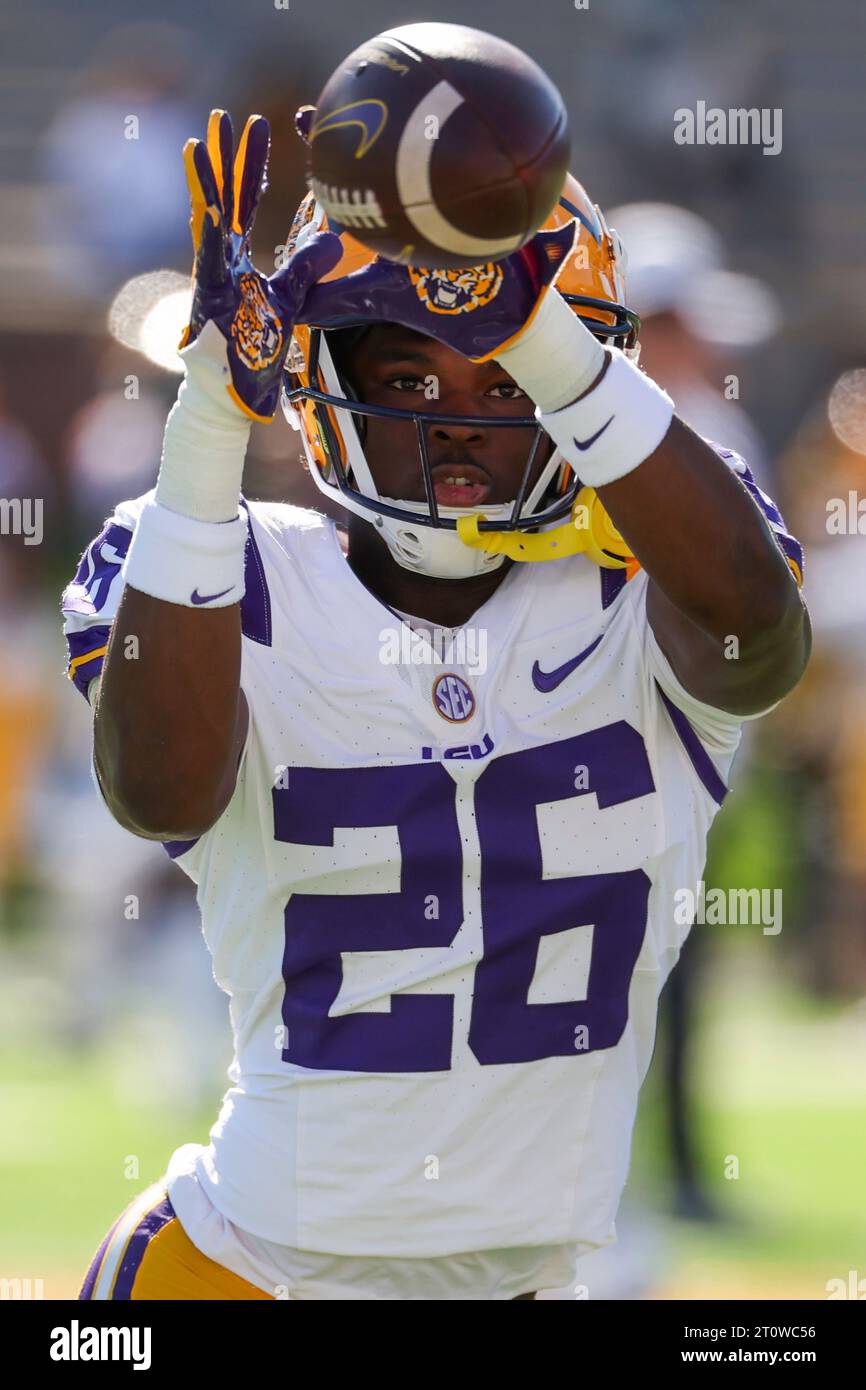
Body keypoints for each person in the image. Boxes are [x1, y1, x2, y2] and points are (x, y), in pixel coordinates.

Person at [64, 108, 810, 1301]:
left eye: (501, 371)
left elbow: (755, 643)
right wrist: (207, 417)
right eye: (405, 369)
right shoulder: (225, 570)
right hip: (237, 1274)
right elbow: (159, 787)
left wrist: (537, 330)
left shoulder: (640, 578)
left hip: (534, 1280)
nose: (458, 412)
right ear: (317, 381)